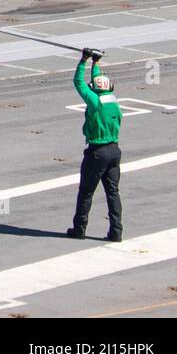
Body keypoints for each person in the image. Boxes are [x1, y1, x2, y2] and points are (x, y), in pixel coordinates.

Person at [67, 48, 123, 241]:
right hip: (114, 151)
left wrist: (83, 60)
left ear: (96, 89)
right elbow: (98, 82)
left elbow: (79, 84)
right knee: (113, 193)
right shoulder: (113, 102)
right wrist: (96, 63)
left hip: (97, 152)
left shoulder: (94, 102)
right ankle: (116, 232)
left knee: (86, 192)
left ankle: (79, 229)